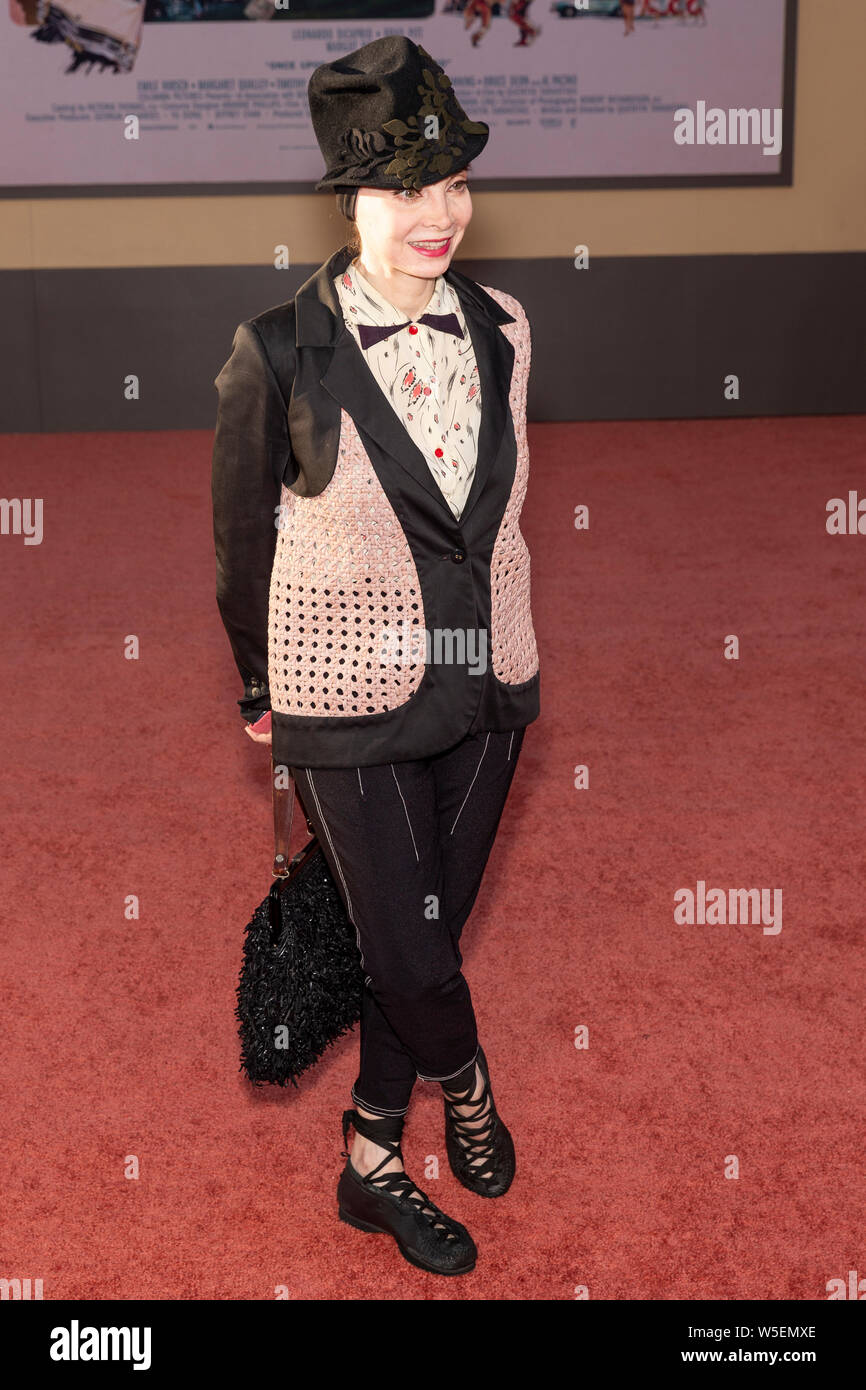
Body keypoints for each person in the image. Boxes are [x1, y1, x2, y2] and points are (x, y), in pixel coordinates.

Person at [211, 36, 540, 1278]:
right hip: (341, 687)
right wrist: (257, 685)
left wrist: (502, 651)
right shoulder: (277, 350)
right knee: (405, 947)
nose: (439, 213)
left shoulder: (507, 326)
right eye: (406, 186)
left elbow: (498, 514)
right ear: (347, 201)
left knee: (431, 929)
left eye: (452, 180)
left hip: (491, 677)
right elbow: (241, 543)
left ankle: (368, 1155)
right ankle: (465, 1079)